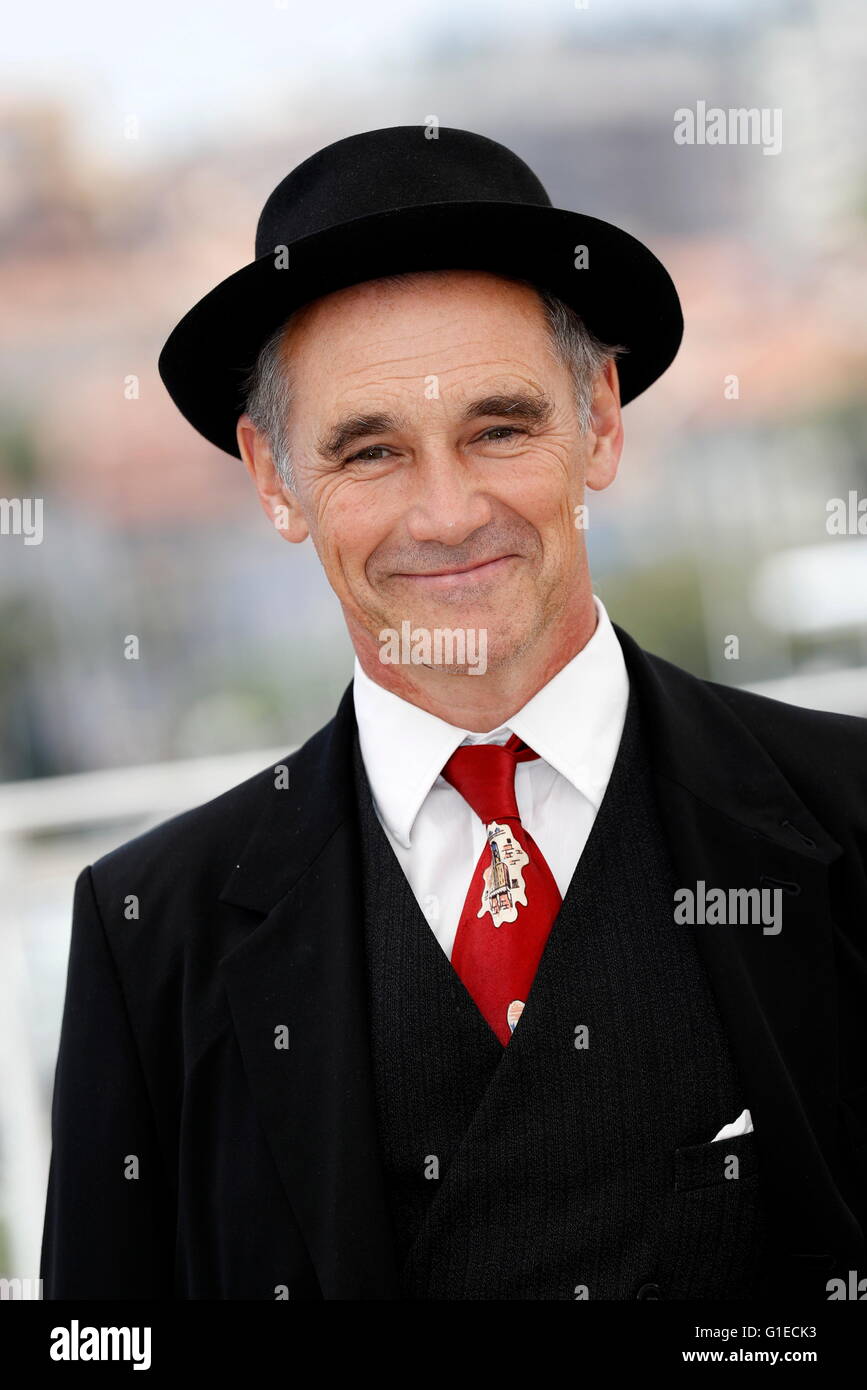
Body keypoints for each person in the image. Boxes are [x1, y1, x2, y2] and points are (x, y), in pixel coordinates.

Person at [40, 125, 866, 1300]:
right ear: (275, 479)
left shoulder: (850, 814)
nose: (446, 512)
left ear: (603, 419)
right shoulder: (150, 934)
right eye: (370, 452)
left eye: (500, 428)